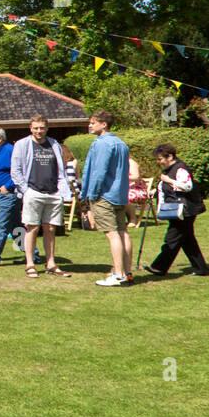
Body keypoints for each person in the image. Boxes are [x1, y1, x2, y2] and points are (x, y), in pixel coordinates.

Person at [12, 114, 75, 278]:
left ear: (47, 128)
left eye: (42, 128)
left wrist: (63, 192)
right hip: (33, 191)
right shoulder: (22, 145)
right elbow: (16, 171)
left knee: (51, 229)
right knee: (32, 228)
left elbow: (61, 170)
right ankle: (30, 263)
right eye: (36, 128)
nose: (39, 131)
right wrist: (26, 190)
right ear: (30, 128)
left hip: (54, 192)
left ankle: (51, 263)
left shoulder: (54, 144)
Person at [81, 110, 132, 286]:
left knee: (112, 234)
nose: (90, 125)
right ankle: (127, 273)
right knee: (122, 232)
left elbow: (99, 171)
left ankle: (118, 274)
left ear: (104, 125)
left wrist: (93, 194)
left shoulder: (102, 144)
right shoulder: (121, 143)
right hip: (119, 194)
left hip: (104, 195)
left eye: (93, 122)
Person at [0, 127, 37, 269]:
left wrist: (8, 186)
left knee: (1, 225)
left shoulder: (10, 151)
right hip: (0, 194)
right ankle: (33, 254)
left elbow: (17, 171)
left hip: (9, 195)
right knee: (15, 226)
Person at [146, 142, 209, 276]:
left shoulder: (180, 169)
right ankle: (201, 268)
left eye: (160, 159)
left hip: (185, 210)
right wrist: (156, 191)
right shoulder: (170, 169)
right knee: (187, 240)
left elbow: (187, 186)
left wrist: (169, 180)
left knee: (172, 238)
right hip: (179, 209)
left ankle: (159, 267)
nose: (158, 162)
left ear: (169, 156)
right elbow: (168, 188)